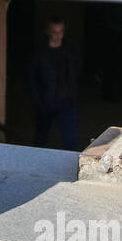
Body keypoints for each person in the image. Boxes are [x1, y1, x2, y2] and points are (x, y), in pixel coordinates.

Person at [29, 18, 80, 151]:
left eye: (61, 31)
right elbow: (32, 78)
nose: (58, 35)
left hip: (66, 101)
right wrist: (39, 101)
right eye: (54, 32)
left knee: (70, 140)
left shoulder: (68, 50)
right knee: (41, 140)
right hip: (46, 102)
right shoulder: (40, 52)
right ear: (48, 32)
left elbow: (74, 73)